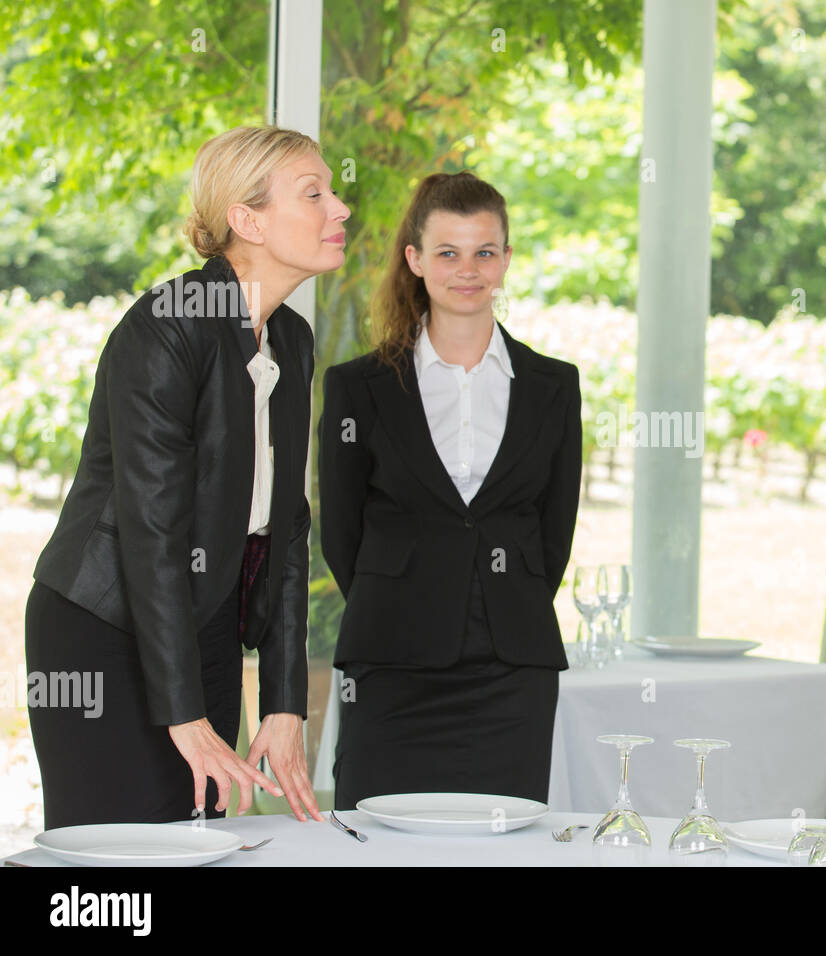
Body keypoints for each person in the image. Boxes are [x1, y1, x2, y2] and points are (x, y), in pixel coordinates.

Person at [27, 125, 350, 827]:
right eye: (314, 193)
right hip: (102, 630)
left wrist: (284, 703)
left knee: (194, 835)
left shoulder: (291, 339)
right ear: (247, 219)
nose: (340, 209)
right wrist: (183, 715)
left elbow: (286, 529)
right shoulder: (166, 326)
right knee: (120, 857)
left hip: (198, 624)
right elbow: (152, 535)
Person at [319, 171, 581, 809]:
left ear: (507, 260)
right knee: (378, 845)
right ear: (415, 259)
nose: (468, 270)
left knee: (502, 848)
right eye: (447, 252)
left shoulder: (554, 386)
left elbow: (554, 531)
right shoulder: (359, 388)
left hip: (512, 670)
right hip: (390, 663)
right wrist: (411, 592)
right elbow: (341, 533)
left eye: (484, 252)